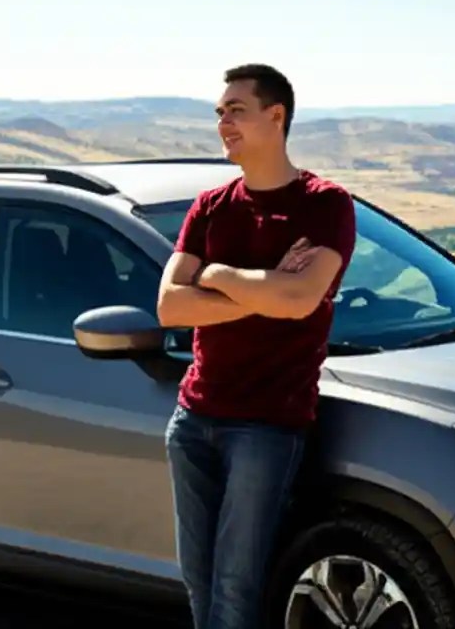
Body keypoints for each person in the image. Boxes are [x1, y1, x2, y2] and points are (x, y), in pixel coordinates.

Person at [156, 63, 357, 629]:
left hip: (266, 426)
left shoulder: (325, 204)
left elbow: (300, 298)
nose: (223, 124)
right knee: (200, 585)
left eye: (236, 111)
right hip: (193, 419)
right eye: (219, 113)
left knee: (238, 591)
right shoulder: (211, 206)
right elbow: (171, 307)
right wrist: (265, 285)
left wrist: (216, 274)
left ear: (277, 116)